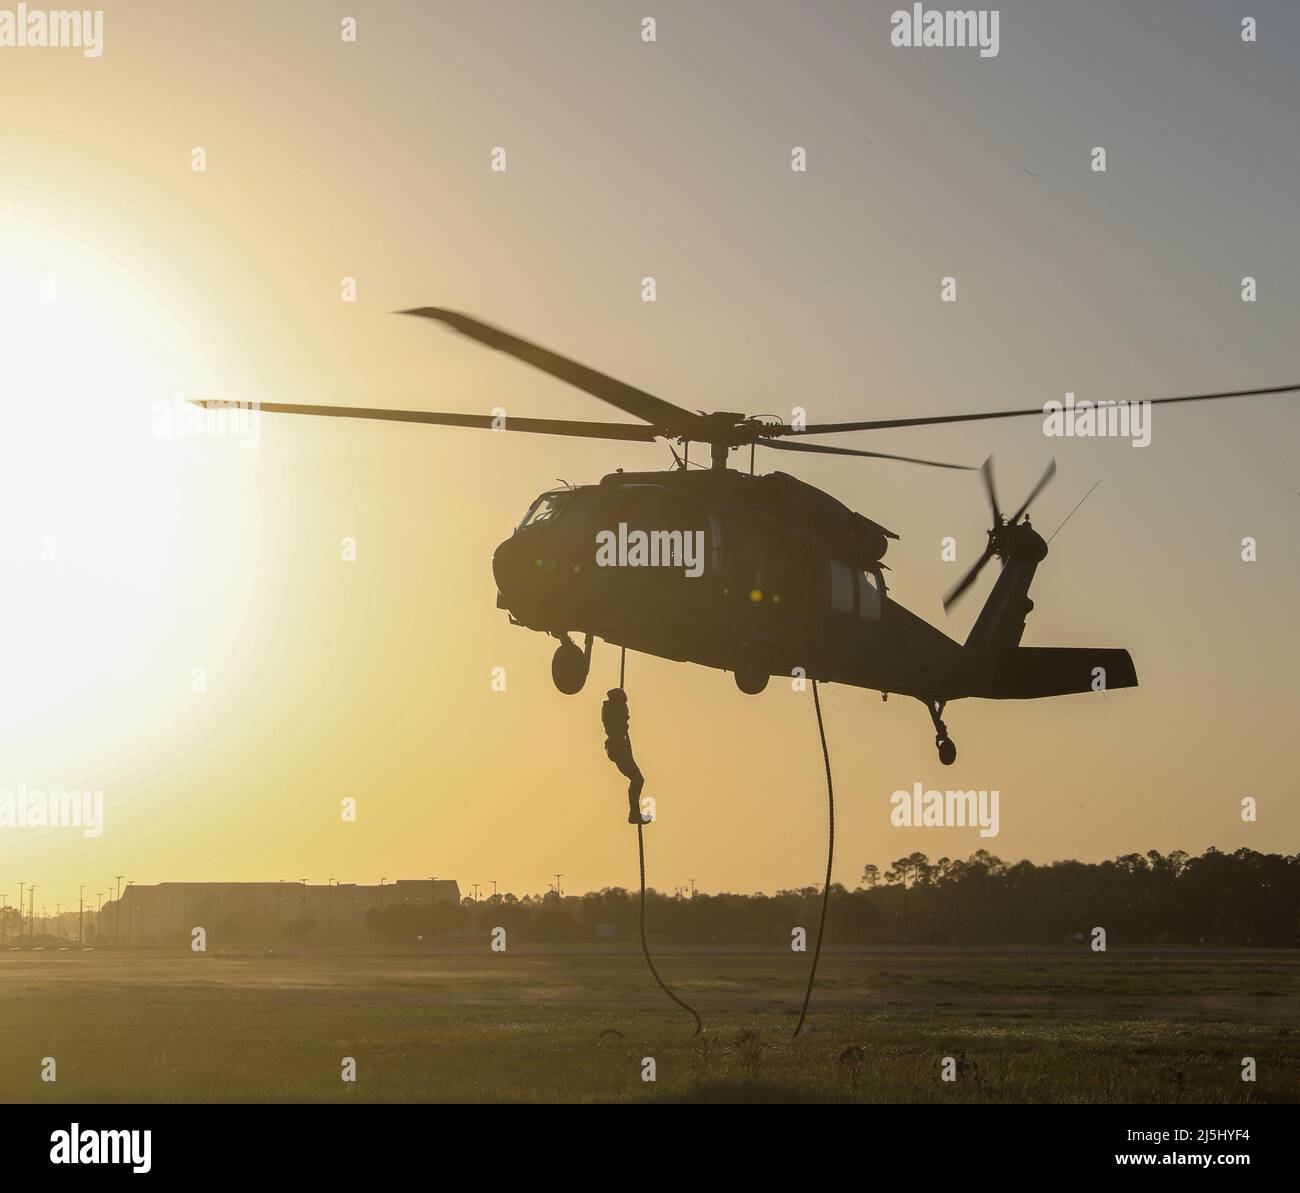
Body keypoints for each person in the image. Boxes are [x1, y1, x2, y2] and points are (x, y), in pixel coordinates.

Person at [601, 688, 647, 824]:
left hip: (618, 748)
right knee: (637, 779)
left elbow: (623, 722)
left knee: (637, 779)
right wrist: (623, 713)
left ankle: (634, 813)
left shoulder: (610, 710)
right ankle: (634, 814)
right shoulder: (613, 712)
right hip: (618, 749)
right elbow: (622, 723)